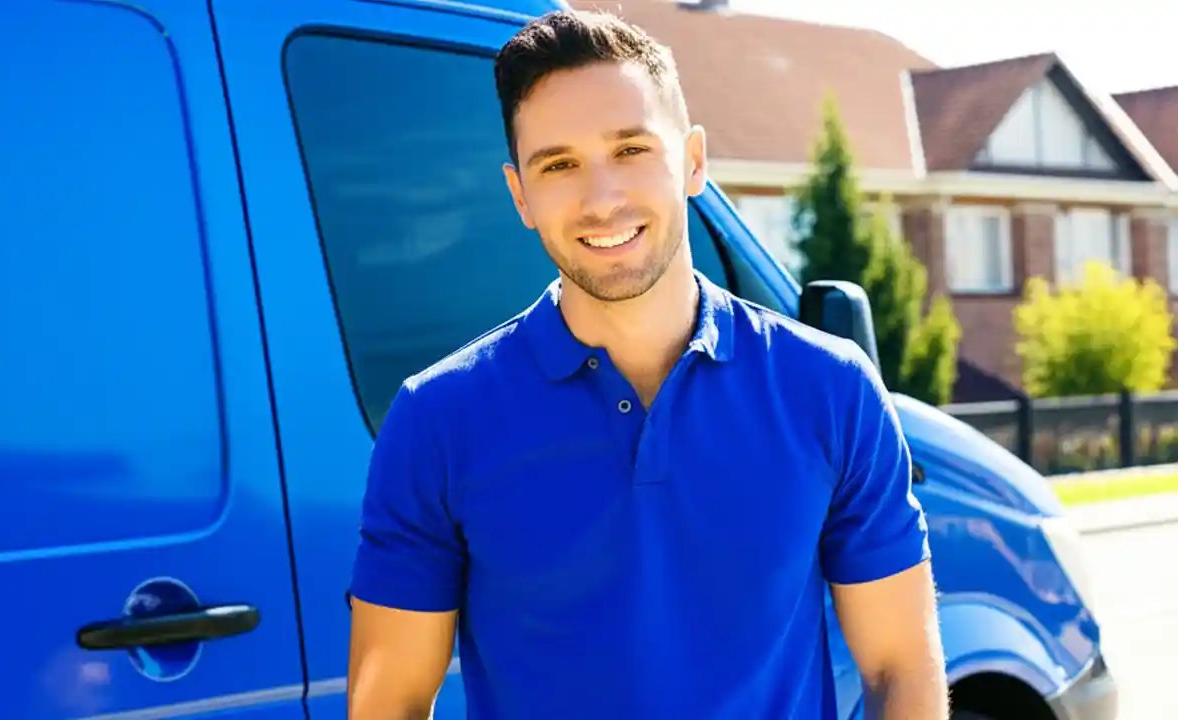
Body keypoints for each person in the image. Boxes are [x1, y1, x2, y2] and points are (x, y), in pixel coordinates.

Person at [346, 9, 948, 719]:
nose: (602, 200)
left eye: (631, 150)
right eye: (560, 164)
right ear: (520, 196)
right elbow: (390, 702)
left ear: (693, 161)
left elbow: (900, 667)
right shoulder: (437, 420)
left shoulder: (830, 389)